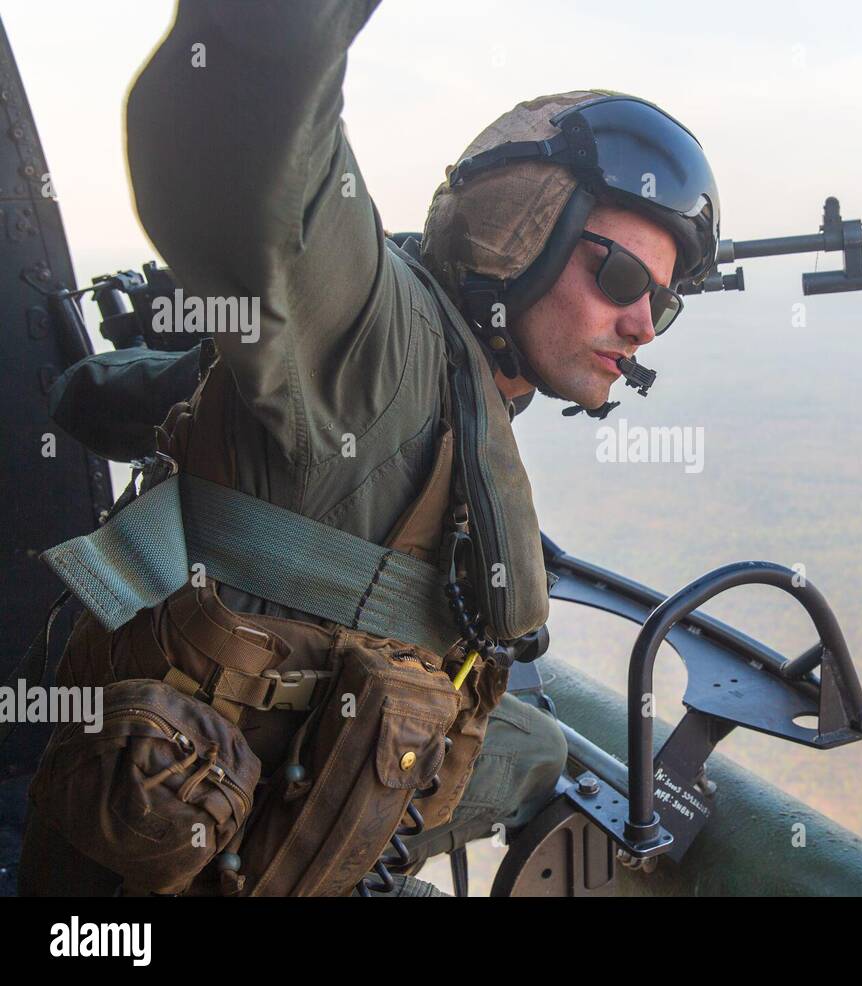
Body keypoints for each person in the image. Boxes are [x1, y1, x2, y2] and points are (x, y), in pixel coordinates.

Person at [18, 0, 719, 897]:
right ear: (518, 235)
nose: (642, 326)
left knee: (534, 745)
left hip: (217, 848)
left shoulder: (447, 391)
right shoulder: (376, 347)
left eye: (662, 303)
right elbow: (249, 122)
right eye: (620, 278)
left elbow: (117, 396)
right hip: (160, 863)